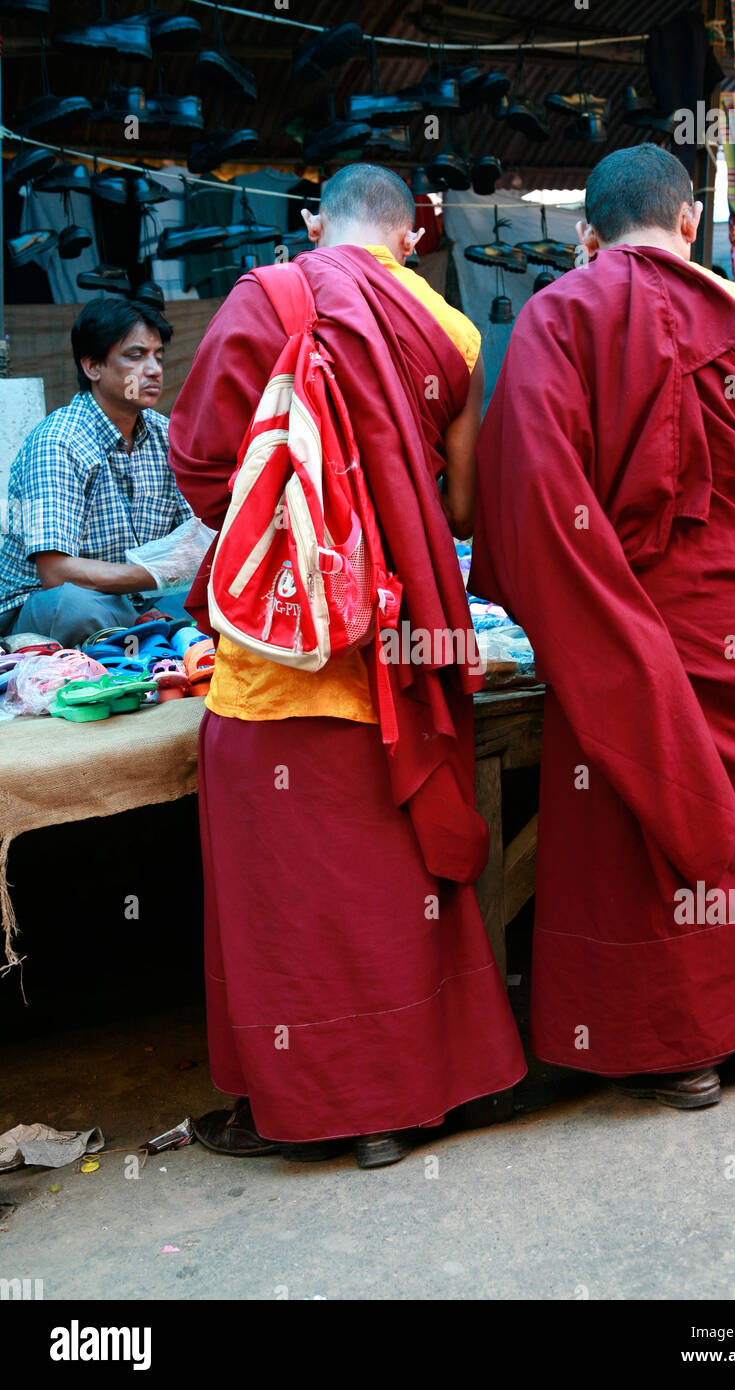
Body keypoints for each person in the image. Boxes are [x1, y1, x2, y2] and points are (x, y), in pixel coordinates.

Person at [469, 145, 735, 1109]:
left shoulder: (558, 315)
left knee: (650, 815)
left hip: (627, 613)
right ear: (688, 223)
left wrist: (581, 612)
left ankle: (690, 1052)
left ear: (589, 231)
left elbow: (528, 496)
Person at [169, 164, 526, 1168]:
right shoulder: (451, 332)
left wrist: (292, 527)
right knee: (392, 878)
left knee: (282, 895)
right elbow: (458, 510)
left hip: (279, 664)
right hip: (400, 652)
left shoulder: (268, 295)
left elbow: (201, 465)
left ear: (312, 222)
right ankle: (398, 1103)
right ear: (413, 234)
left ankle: (302, 1103)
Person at [0, 298, 193, 646]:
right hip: (43, 604)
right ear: (92, 367)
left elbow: (193, 537)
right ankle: (156, 633)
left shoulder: (166, 436)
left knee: (218, 592)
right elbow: (56, 574)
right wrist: (154, 575)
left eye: (158, 356)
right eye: (136, 356)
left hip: (139, 598)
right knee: (74, 606)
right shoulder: (58, 442)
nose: (153, 370)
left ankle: (148, 632)